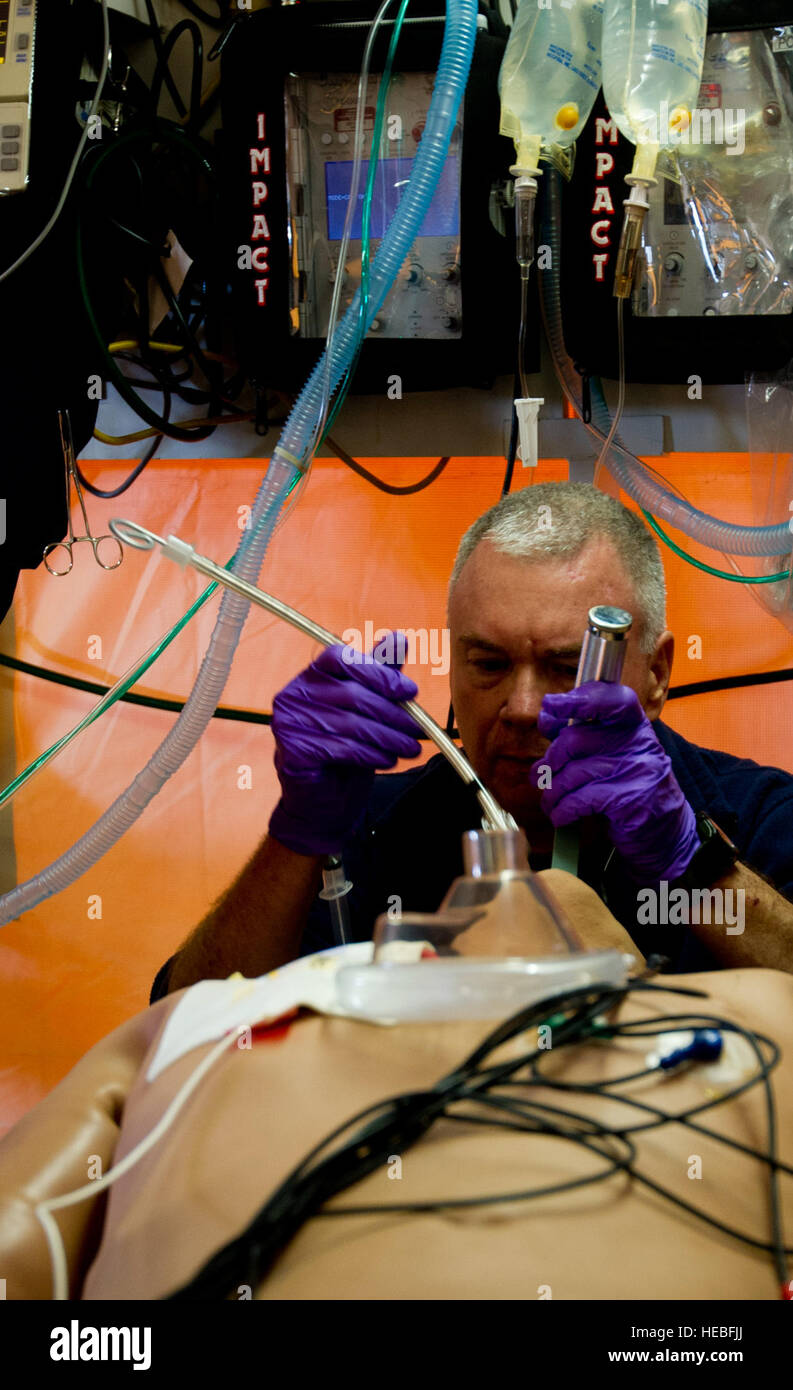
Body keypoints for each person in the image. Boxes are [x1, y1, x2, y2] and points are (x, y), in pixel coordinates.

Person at [150, 482, 793, 1001]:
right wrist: (295, 838)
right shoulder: (376, 835)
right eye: (488, 664)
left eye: (568, 667)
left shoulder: (761, 818)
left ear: (656, 673)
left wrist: (694, 864)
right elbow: (184, 1032)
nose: (522, 708)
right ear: (451, 664)